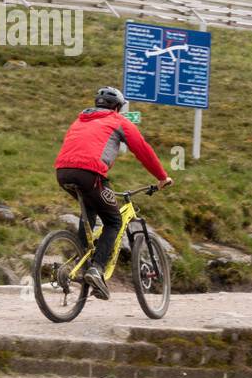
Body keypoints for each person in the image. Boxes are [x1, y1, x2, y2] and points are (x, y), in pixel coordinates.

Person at [54, 86, 172, 300]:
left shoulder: (80, 119)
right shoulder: (119, 121)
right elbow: (143, 150)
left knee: (89, 211)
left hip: (63, 172)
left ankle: (81, 260)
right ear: (117, 107)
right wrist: (162, 177)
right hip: (90, 174)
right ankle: (96, 269)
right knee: (114, 221)